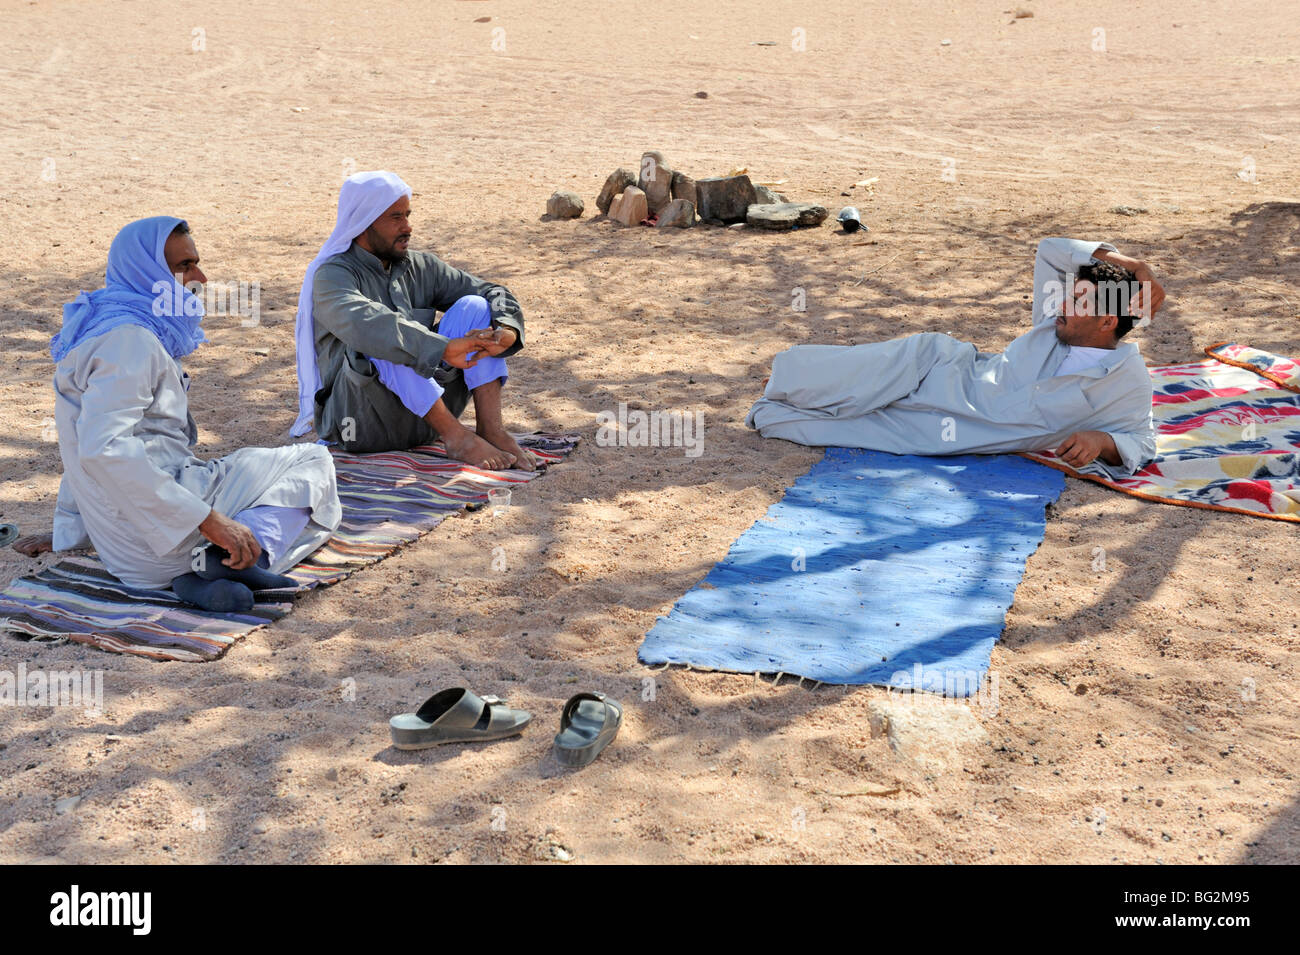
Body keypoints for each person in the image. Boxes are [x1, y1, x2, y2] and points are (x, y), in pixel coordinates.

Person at [14, 217, 341, 612]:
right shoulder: (131, 341)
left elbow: (80, 440)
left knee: (224, 473)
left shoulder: (100, 328)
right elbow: (103, 449)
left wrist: (76, 531)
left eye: (195, 263)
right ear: (146, 272)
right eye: (183, 266)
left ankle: (194, 581)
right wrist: (206, 521)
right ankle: (244, 558)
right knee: (314, 459)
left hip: (128, 561)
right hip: (169, 534)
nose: (199, 277)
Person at [746, 237, 1166, 475]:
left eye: (1077, 301)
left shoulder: (1125, 380)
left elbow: (1142, 442)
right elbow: (1051, 249)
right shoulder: (1052, 327)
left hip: (953, 430)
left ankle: (785, 397)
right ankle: (788, 381)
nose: (1062, 305)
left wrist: (1103, 442)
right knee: (821, 378)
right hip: (936, 368)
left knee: (781, 422)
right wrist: (1133, 264)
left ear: (1108, 322)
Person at [292, 170, 535, 470]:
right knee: (383, 334)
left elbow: (492, 291)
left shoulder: (421, 266)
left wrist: (507, 328)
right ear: (363, 222)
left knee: (475, 305)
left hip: (423, 424)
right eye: (396, 217)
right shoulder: (332, 277)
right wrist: (443, 348)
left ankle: (490, 429)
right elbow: (367, 324)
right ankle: (457, 438)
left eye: (407, 215)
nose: (408, 227)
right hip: (362, 425)